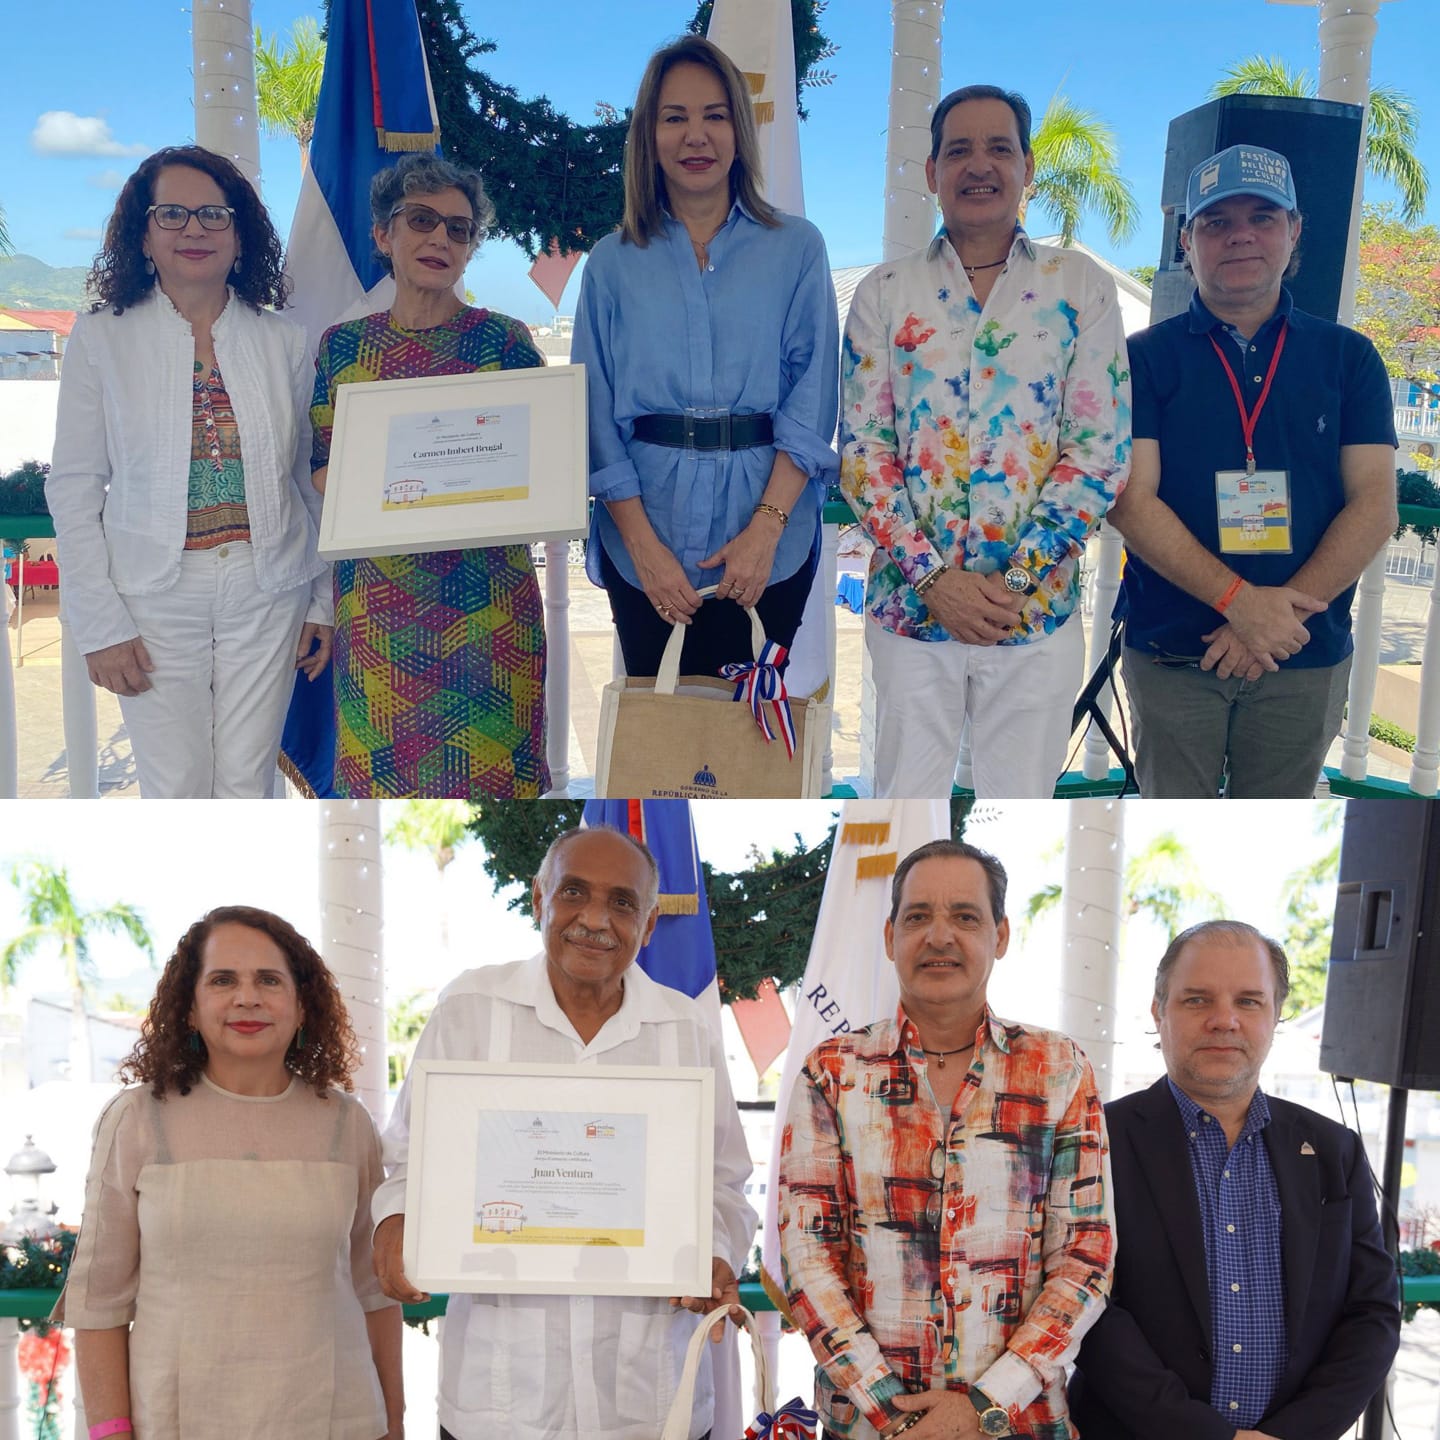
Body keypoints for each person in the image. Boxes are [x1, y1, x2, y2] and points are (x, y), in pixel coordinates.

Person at [370, 825, 756, 1440]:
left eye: (622, 902)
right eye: (573, 892)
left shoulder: (684, 1030)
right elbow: (411, 1165)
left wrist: (710, 1253)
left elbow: (725, 1184)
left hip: (652, 1409)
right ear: (538, 899)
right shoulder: (469, 1009)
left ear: (650, 925)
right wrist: (395, 1221)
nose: (595, 919)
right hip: (498, 1411)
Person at [841, 86, 1131, 800]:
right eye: (960, 149)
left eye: (999, 148)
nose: (980, 165)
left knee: (1020, 813)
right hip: (913, 614)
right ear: (932, 169)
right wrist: (936, 583)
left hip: (1033, 617)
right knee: (900, 809)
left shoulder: (1081, 287)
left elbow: (1098, 454)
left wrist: (1015, 583)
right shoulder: (883, 293)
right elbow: (863, 456)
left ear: (1028, 167)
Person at [778, 839, 1115, 1440]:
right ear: (889, 938)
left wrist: (986, 1404)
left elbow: (1085, 1258)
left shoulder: (1057, 1068)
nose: (939, 936)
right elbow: (808, 1258)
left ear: (1000, 935)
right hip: (867, 1428)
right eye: (918, 917)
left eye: (965, 916)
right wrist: (894, 1413)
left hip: (1020, 1425)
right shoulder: (831, 1071)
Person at [1112, 145, 1399, 797]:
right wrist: (1241, 605)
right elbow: (1131, 500)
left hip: (1303, 653)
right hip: (1175, 652)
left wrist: (1273, 624)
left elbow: (1375, 505)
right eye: (1216, 222)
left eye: (1262, 216)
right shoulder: (1141, 359)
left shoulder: (1350, 359)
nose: (1240, 234)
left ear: (1294, 231)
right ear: (1187, 241)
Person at [46, 144, 331, 798]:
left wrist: (323, 599)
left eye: (213, 214)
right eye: (171, 213)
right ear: (143, 234)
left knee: (248, 782)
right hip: (150, 597)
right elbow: (74, 486)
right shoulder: (101, 337)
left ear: (241, 236)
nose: (194, 229)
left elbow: (305, 479)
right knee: (174, 788)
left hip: (269, 591)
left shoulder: (283, 339)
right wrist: (99, 624)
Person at [59, 906, 403, 1440]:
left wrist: (395, 1423)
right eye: (223, 980)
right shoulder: (138, 1119)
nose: (248, 997)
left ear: (303, 1005)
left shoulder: (346, 1123)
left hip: (338, 1418)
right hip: (173, 1423)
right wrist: (111, 1433)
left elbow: (374, 1291)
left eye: (269, 979)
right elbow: (98, 1302)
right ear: (190, 1008)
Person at [571, 35, 838, 680]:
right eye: (675, 117)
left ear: (740, 131)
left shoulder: (796, 248)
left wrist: (765, 531)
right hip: (646, 543)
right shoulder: (610, 263)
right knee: (662, 754)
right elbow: (592, 412)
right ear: (648, 135)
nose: (697, 136)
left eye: (715, 115)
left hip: (768, 545)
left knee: (750, 750)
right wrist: (642, 547)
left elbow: (813, 397)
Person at [1070, 920, 1400, 1440]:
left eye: (1249, 1001)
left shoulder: (1335, 1152)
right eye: (1197, 1000)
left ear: (1275, 1015)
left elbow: (1373, 1312)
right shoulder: (1094, 1141)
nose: (1224, 1020)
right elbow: (1084, 1304)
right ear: (1159, 1012)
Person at [311, 153, 548, 798]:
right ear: (384, 235)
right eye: (421, 220)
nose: (440, 238)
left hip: (489, 612)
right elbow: (321, 469)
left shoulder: (503, 343)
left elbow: (540, 465)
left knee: (495, 790)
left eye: (459, 227)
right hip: (380, 620)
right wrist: (386, 489)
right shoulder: (341, 347)